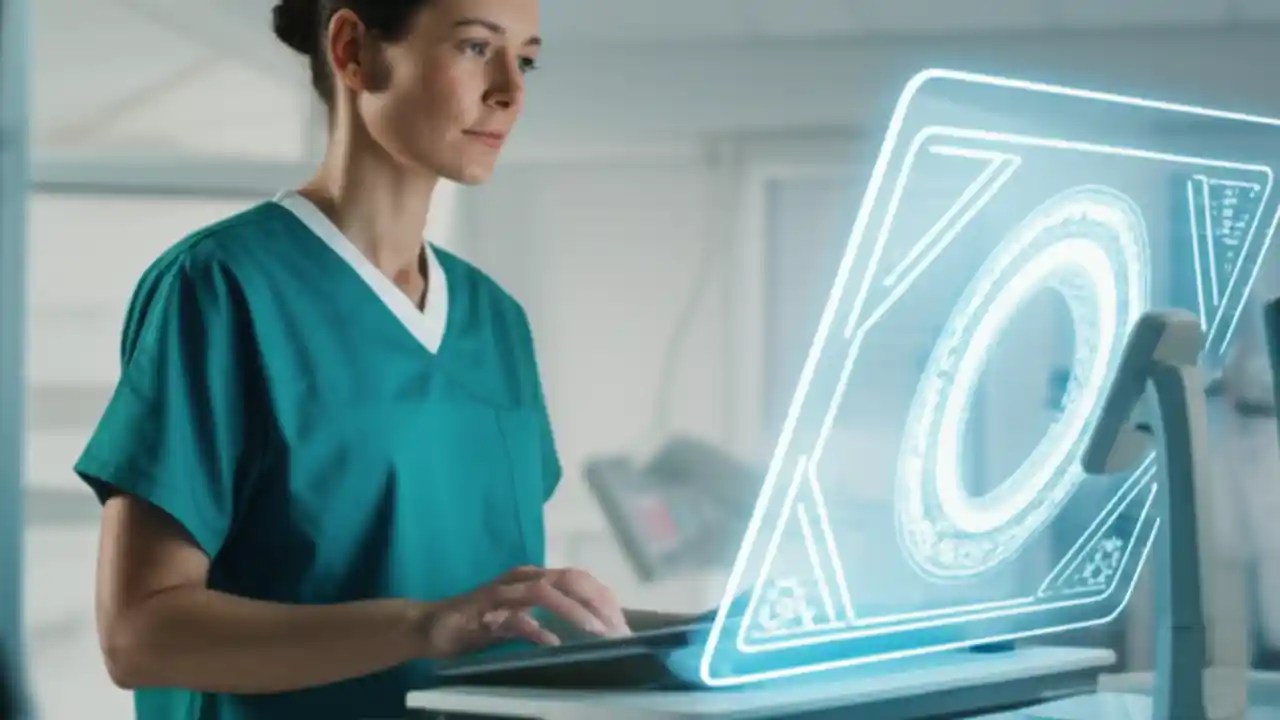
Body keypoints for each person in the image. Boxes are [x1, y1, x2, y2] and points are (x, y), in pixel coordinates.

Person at [75, 1, 678, 717]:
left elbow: (498, 621)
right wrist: (423, 625)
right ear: (355, 50)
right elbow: (142, 635)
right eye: (477, 48)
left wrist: (718, 632)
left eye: (528, 59)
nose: (511, 92)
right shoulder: (220, 288)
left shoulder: (495, 322)